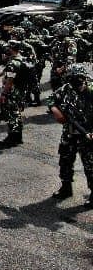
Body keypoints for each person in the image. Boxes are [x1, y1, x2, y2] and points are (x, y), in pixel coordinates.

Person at [47, 65, 93, 207]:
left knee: (90, 164)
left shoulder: (91, 90)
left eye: (79, 80)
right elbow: (51, 99)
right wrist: (56, 111)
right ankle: (66, 188)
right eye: (73, 79)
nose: (76, 83)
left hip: (88, 133)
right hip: (70, 132)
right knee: (65, 159)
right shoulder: (67, 87)